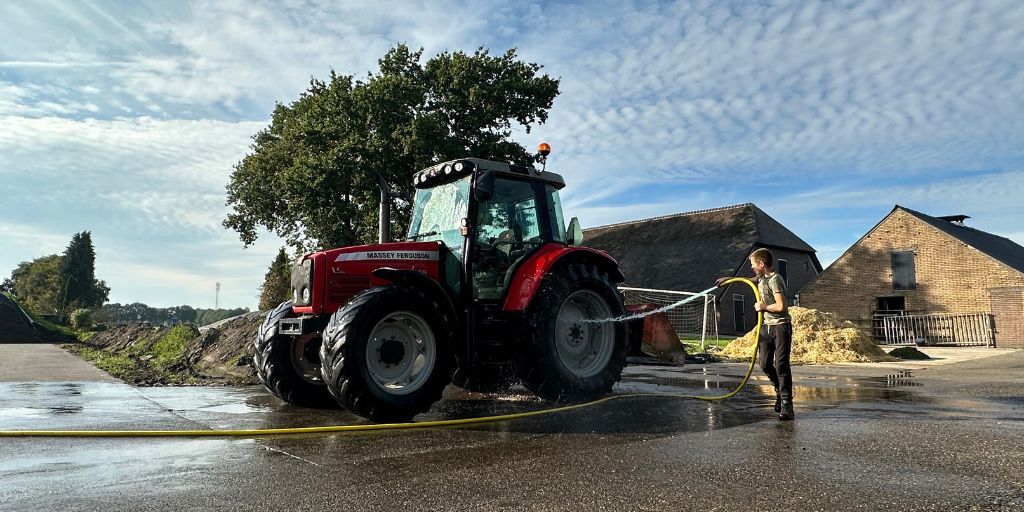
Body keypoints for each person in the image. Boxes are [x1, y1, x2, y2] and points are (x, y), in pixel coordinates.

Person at [717, 248, 794, 420]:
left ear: (761, 263)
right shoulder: (761, 278)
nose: (751, 267)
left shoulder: (775, 280)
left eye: (753, 264)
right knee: (764, 364)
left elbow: (782, 306)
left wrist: (763, 306)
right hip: (766, 327)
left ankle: (787, 405)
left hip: (781, 327)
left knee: (781, 365)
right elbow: (749, 280)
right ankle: (778, 389)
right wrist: (728, 280)